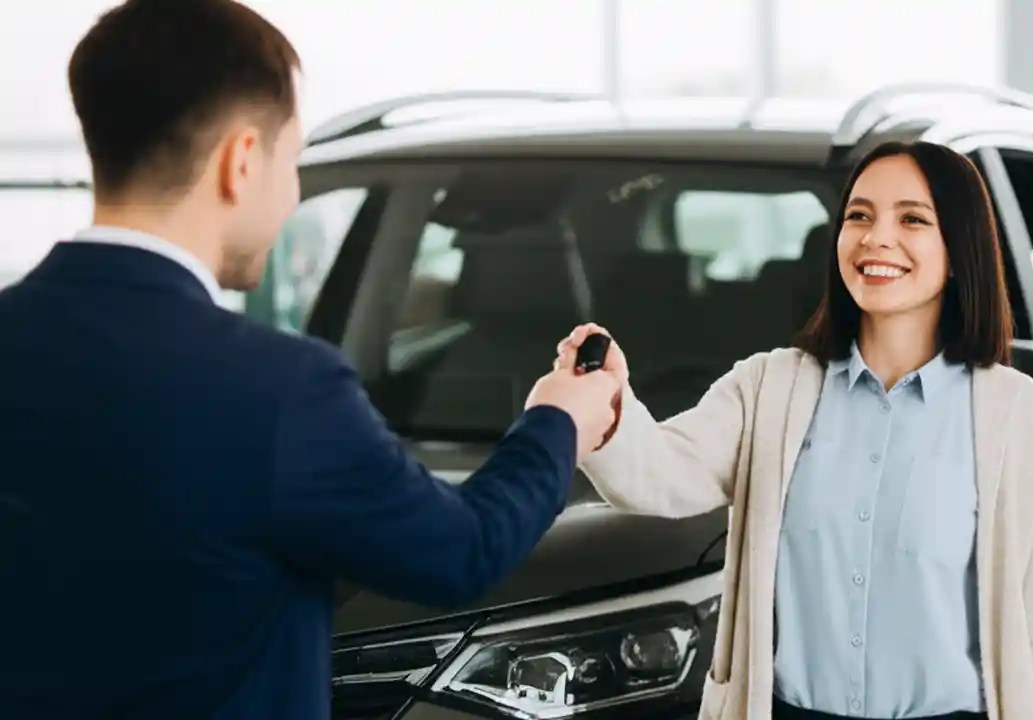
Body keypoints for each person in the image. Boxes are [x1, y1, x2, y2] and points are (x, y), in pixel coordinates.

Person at [0, 2, 620, 719]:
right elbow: (462, 552)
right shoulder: (278, 390)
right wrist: (557, 420)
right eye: (288, 162)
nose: (289, 192)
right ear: (240, 162)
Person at [555, 141, 1033, 720]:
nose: (876, 237)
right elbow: (659, 474)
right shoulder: (769, 388)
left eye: (912, 219)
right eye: (859, 216)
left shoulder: (1025, 422)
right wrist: (604, 405)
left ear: (960, 250)